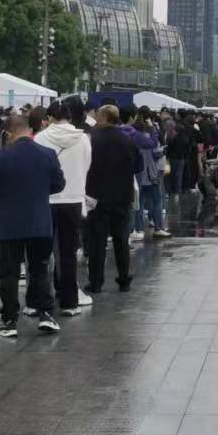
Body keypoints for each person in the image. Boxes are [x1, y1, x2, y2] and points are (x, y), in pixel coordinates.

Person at [0, 112, 63, 338]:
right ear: (29, 130)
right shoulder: (48, 154)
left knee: (9, 273)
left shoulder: (1, 157)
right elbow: (59, 184)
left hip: (9, 224)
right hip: (39, 221)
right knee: (39, 269)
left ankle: (9, 320)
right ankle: (45, 313)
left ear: (8, 133)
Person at [36, 99, 92, 316]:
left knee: (43, 254)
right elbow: (86, 166)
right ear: (69, 116)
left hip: (47, 200)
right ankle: (69, 302)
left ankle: (43, 302)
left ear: (49, 117)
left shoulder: (40, 138)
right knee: (68, 252)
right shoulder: (83, 139)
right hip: (73, 200)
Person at [85, 105, 139, 294]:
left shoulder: (93, 139)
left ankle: (96, 282)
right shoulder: (127, 140)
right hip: (122, 196)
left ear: (103, 118)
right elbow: (138, 166)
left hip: (98, 196)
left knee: (97, 242)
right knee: (121, 239)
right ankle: (124, 278)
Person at [129, 115, 169, 239]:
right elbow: (157, 153)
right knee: (157, 201)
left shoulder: (132, 138)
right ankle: (158, 227)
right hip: (151, 174)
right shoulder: (149, 139)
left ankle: (139, 229)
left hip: (138, 175)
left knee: (138, 204)